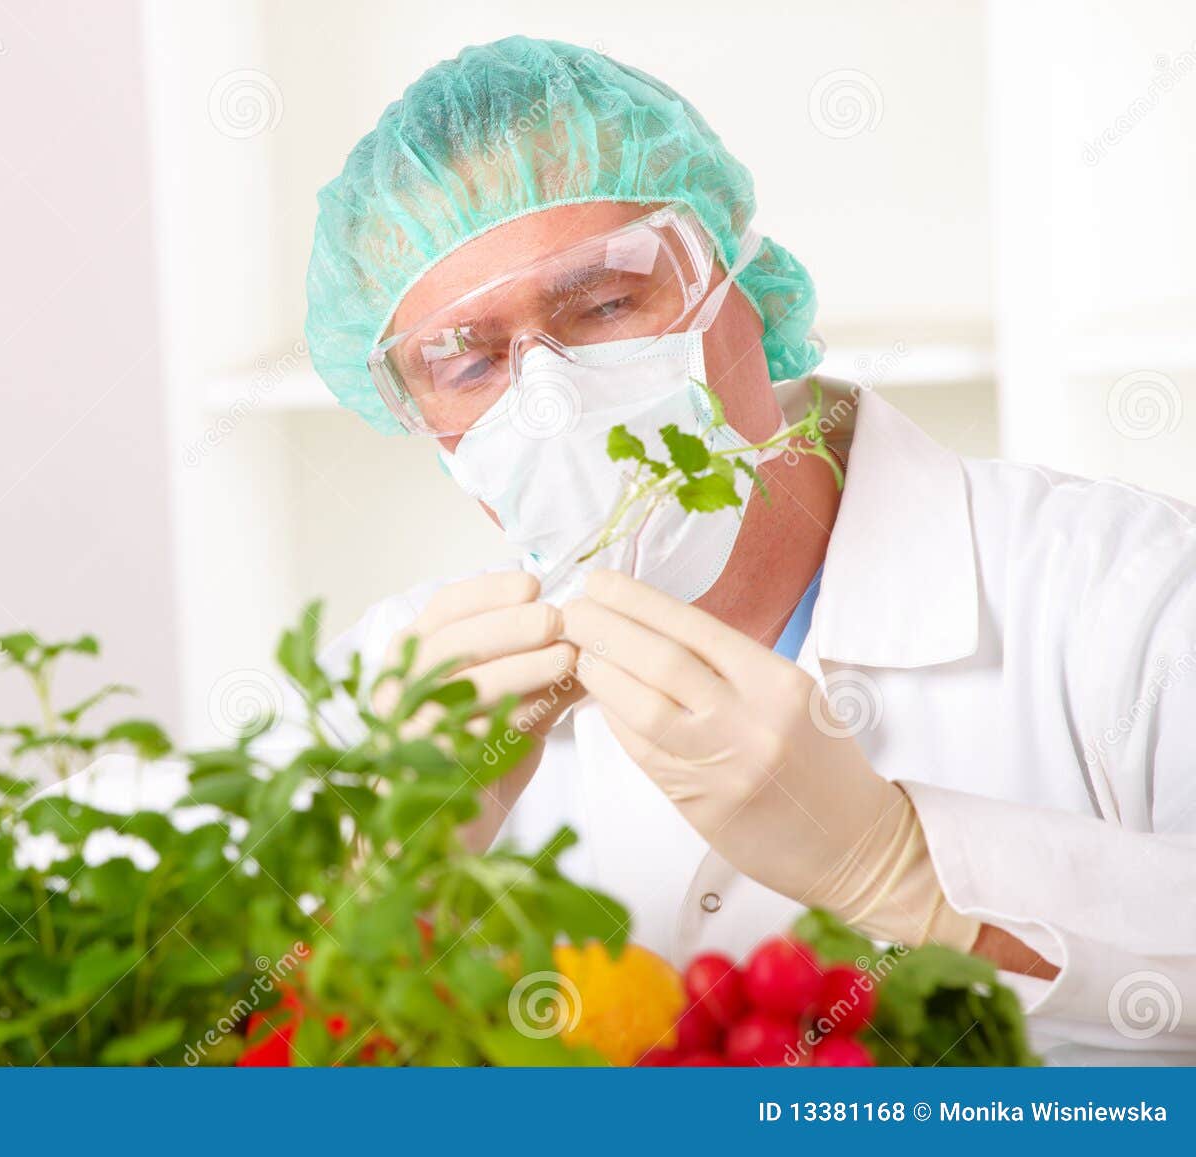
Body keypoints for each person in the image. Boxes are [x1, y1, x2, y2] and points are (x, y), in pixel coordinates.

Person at [303, 36, 1196, 1063]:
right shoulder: (390, 693)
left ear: (745, 287)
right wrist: (367, 908)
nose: (547, 400)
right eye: (467, 363)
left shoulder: (1131, 599)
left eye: (605, 302)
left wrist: (907, 874)